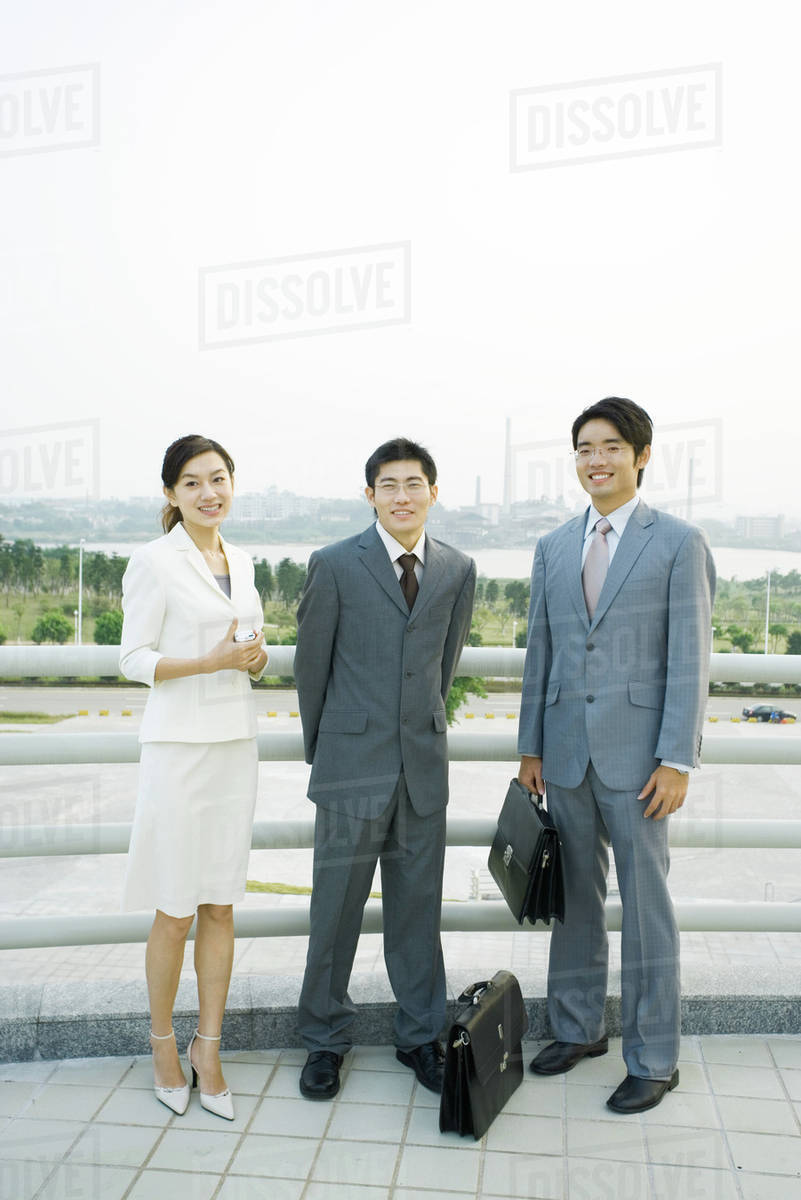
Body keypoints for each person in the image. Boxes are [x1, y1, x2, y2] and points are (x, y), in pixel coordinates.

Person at [518, 398, 715, 1114]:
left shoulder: (677, 542)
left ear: (640, 455)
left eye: (608, 447)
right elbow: (541, 652)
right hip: (563, 755)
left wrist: (676, 758)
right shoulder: (551, 546)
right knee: (572, 902)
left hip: (640, 763)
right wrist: (529, 744)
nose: (594, 459)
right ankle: (576, 1030)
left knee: (646, 909)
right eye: (581, 448)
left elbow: (689, 659)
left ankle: (654, 1057)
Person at [294, 437, 476, 1100]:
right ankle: (322, 1040)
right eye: (389, 485)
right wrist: (331, 749)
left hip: (422, 769)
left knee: (416, 913)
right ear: (368, 494)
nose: (403, 496)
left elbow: (444, 667)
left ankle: (420, 1037)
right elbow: (309, 669)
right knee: (333, 914)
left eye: (414, 484)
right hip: (349, 769)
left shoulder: (457, 568)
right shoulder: (335, 564)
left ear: (433, 491)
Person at [120, 434, 268, 1120]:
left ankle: (209, 1047)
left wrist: (252, 661)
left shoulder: (240, 558)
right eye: (192, 483)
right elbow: (133, 659)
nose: (209, 492)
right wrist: (207, 663)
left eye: (218, 478)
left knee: (219, 905)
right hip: (179, 751)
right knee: (174, 910)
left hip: (234, 745)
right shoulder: (154, 561)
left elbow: (243, 653)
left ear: (232, 483)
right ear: (172, 495)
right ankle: (161, 1046)